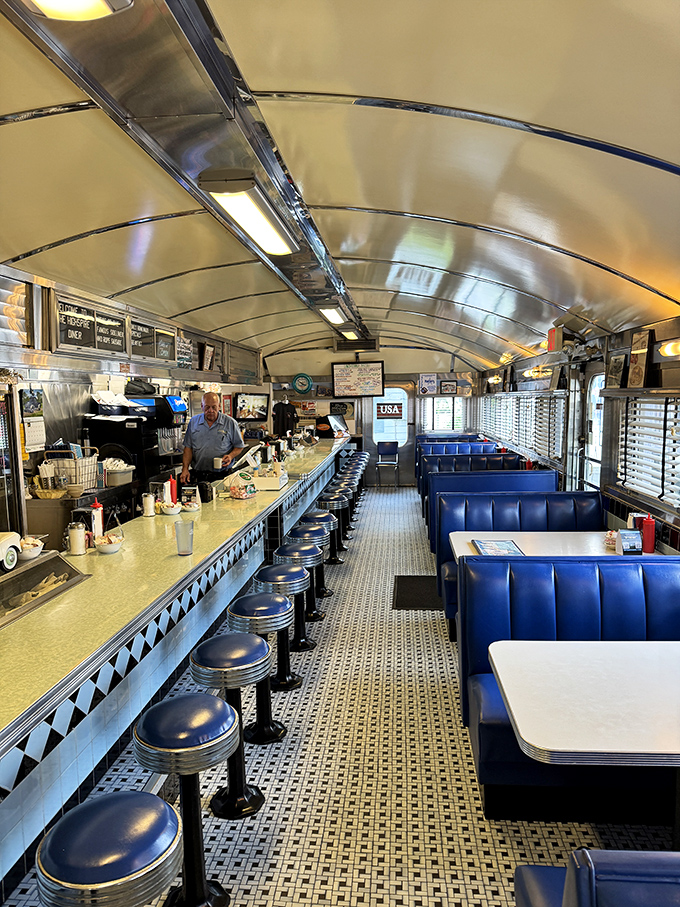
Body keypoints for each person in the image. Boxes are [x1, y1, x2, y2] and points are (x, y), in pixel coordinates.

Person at [180, 392, 245, 483]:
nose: (210, 410)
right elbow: (188, 448)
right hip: (199, 475)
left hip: (223, 475)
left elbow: (239, 446)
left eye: (214, 407)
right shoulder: (194, 422)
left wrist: (230, 456)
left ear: (219, 406)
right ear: (202, 406)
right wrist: (185, 469)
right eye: (207, 407)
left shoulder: (230, 423)